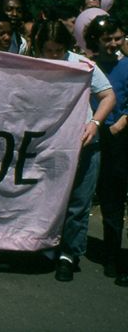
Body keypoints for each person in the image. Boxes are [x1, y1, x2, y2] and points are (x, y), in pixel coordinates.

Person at [31, 19, 115, 282]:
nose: (54, 56)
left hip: (84, 143)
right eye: (49, 50)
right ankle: (45, 246)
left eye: (58, 50)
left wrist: (95, 123)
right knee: (47, 198)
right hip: (48, 145)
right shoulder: (33, 66)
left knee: (79, 201)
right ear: (40, 47)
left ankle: (69, 254)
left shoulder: (83, 65)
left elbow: (108, 95)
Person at [82, 15, 128, 285]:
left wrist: (121, 123)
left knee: (113, 199)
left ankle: (113, 256)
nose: (112, 44)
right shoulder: (88, 67)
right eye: (106, 39)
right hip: (89, 135)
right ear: (95, 42)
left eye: (117, 38)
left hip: (117, 139)